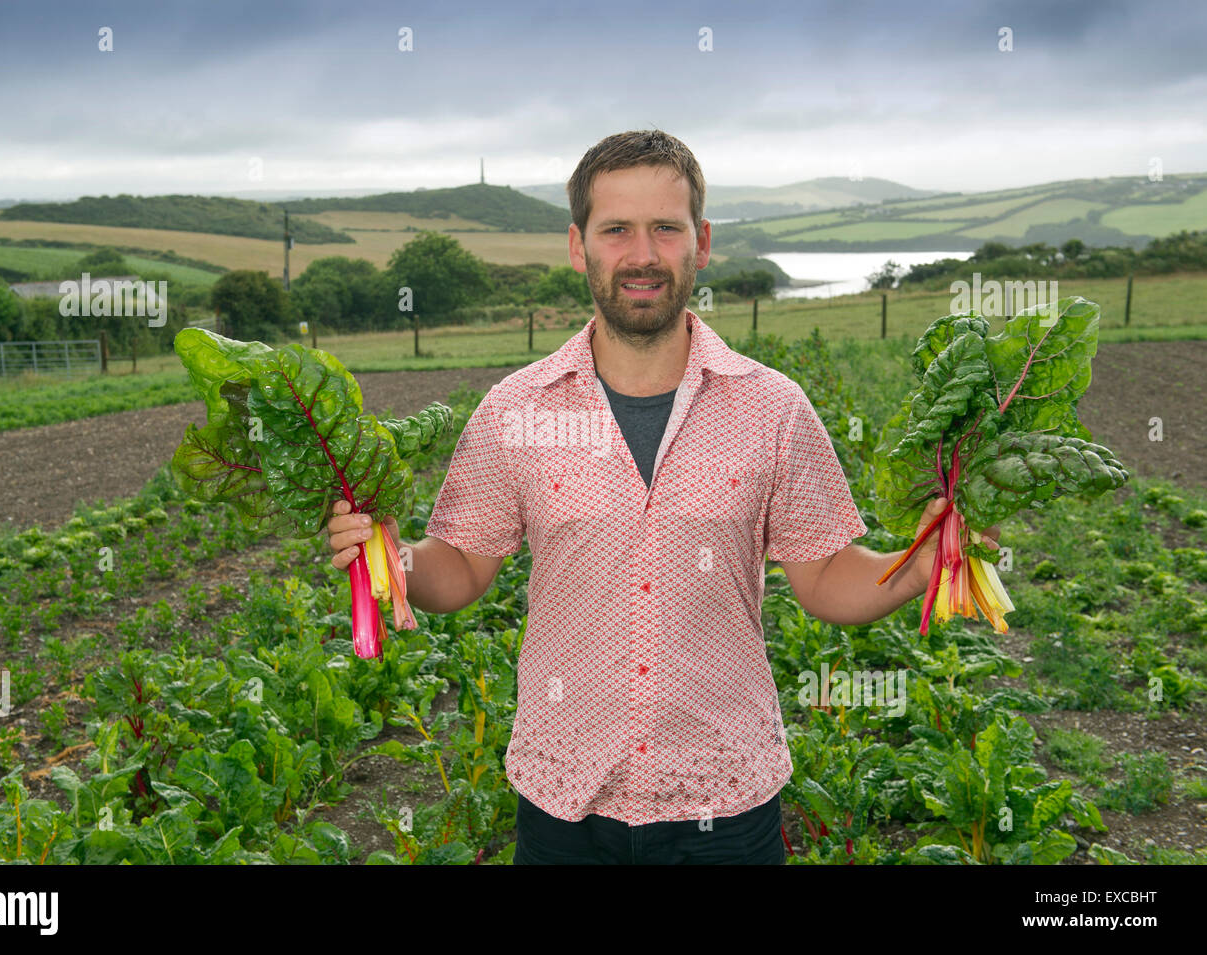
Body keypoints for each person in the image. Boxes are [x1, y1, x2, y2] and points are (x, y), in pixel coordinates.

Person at [326, 129, 995, 865]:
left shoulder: (773, 408)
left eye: (665, 229)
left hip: (727, 802)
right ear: (580, 246)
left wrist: (926, 561)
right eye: (616, 229)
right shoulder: (516, 408)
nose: (641, 254)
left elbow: (828, 576)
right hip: (564, 801)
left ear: (700, 243)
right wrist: (391, 556)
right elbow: (459, 567)